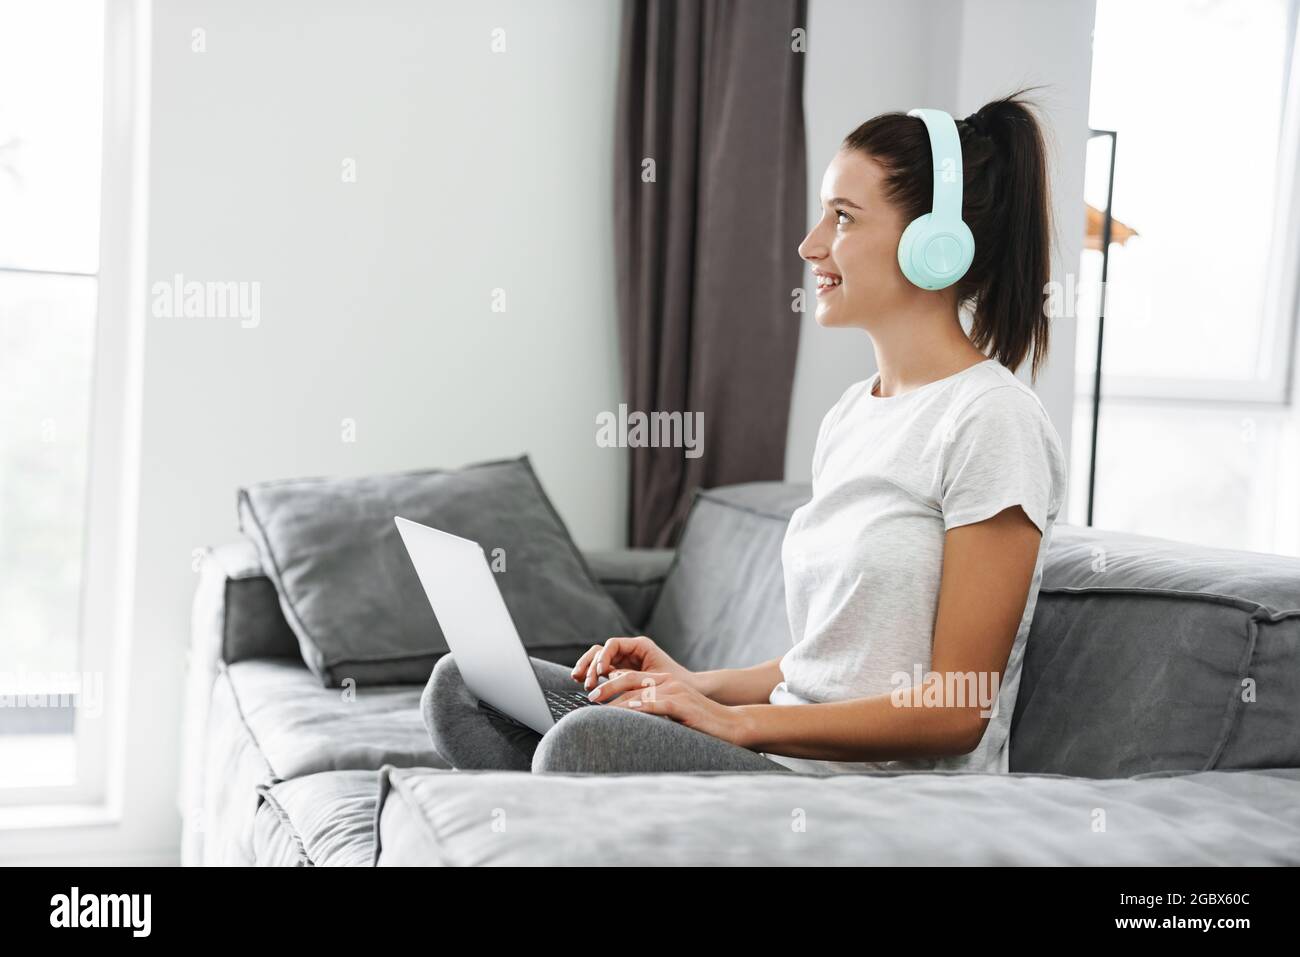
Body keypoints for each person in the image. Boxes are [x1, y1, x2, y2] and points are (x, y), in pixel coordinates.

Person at [423, 90, 1067, 775]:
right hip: (779, 760)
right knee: (466, 689)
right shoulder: (853, 414)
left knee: (583, 746)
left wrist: (735, 723)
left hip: (874, 803)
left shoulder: (992, 419)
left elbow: (954, 712)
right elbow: (830, 663)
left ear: (935, 247)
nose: (810, 244)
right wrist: (695, 684)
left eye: (843, 218)